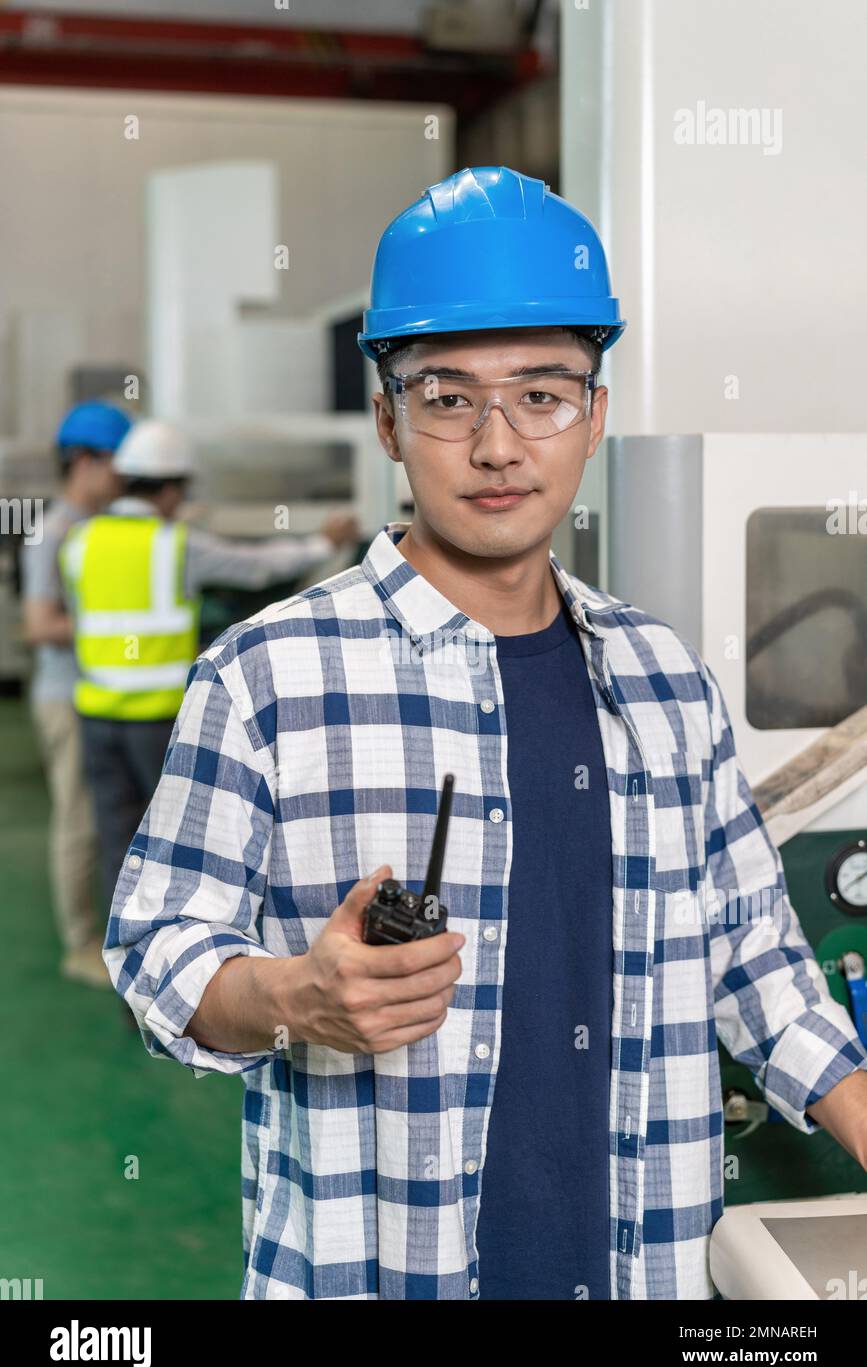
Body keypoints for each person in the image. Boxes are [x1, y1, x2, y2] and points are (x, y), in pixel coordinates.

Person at [104, 167, 867, 1301]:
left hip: (644, 1268)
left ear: (593, 417)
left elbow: (755, 958)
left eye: (542, 395)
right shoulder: (269, 676)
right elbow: (157, 950)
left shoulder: (664, 680)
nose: (499, 446)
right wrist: (294, 995)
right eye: (449, 398)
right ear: (389, 420)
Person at [60, 418, 358, 912]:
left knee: (116, 838)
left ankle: (121, 940)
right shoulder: (175, 544)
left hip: (96, 716)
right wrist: (323, 544)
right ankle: (167, 938)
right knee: (172, 838)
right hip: (156, 719)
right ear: (171, 489)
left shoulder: (80, 541)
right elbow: (254, 566)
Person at [22, 400, 132, 986]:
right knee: (80, 819)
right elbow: (39, 625)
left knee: (109, 817)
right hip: (65, 696)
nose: (125, 478)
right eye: (118, 464)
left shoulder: (102, 528)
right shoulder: (54, 532)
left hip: (104, 693)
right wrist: (123, 625)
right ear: (86, 461)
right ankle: (79, 944)